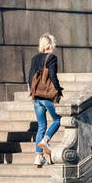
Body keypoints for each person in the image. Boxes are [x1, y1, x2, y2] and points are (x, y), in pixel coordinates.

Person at [29, 33, 63, 166]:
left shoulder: (35, 58)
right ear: (51, 44)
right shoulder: (52, 57)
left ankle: (38, 156)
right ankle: (46, 140)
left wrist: (32, 92)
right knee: (57, 119)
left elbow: (30, 76)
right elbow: (53, 76)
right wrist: (58, 90)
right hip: (47, 96)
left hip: (36, 96)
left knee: (41, 125)